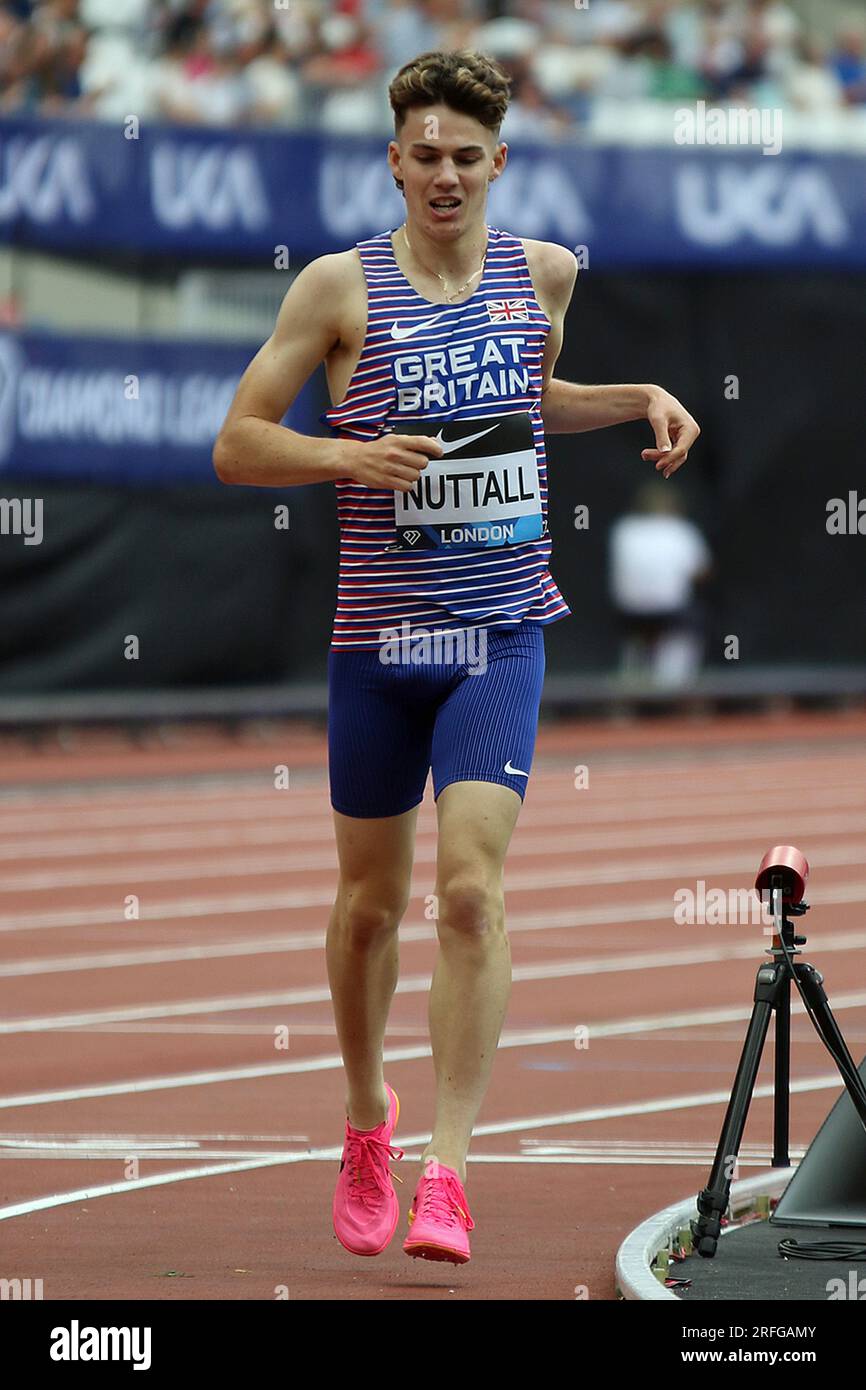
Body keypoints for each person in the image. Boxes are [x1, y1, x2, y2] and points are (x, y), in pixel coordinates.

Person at [213, 47, 699, 1265]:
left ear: (498, 164)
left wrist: (637, 394)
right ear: (393, 159)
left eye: (465, 158)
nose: (444, 174)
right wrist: (346, 458)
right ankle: (365, 1118)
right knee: (369, 910)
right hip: (379, 644)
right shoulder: (337, 290)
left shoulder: (542, 272)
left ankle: (448, 1168)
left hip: (497, 631)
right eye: (423, 155)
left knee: (470, 893)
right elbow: (237, 442)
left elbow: (534, 402)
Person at [609, 480, 712, 688]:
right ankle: (671, 685)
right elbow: (702, 573)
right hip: (668, 610)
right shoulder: (680, 530)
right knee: (689, 626)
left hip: (628, 610)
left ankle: (631, 678)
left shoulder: (623, 530)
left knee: (640, 634)